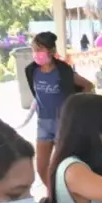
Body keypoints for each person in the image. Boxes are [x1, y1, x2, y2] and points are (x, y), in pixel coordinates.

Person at [25, 32, 94, 185]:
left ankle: (65, 195)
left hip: (62, 123)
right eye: (34, 49)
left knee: (62, 166)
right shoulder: (32, 71)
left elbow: (88, 85)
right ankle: (51, 196)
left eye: (39, 49)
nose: (35, 53)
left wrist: (77, 105)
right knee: (41, 167)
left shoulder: (64, 71)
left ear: (50, 51)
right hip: (43, 123)